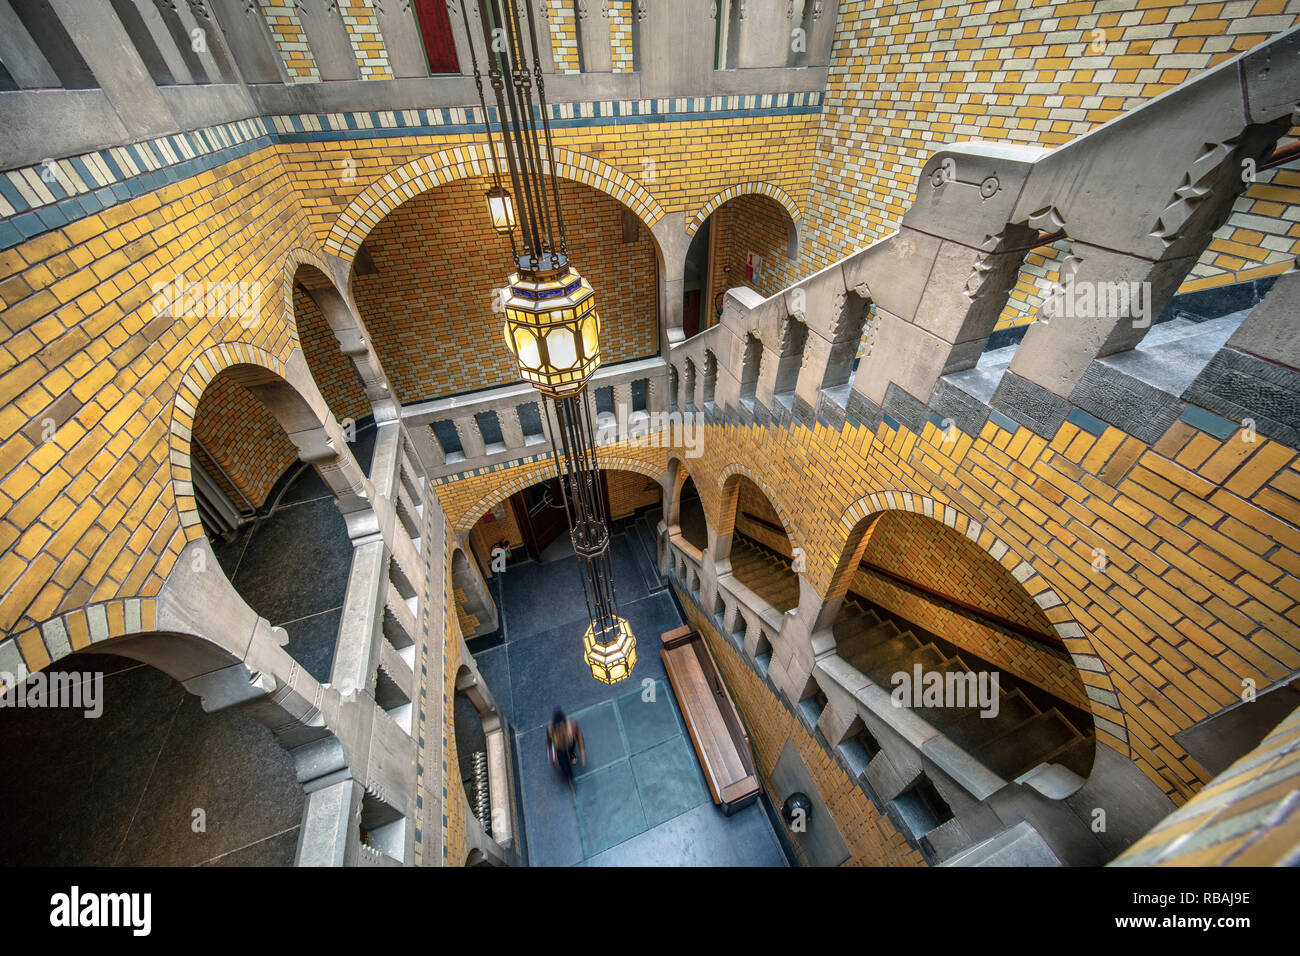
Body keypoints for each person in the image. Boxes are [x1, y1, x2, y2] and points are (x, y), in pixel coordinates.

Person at [547, 708, 585, 779]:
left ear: (565, 724)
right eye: (558, 727)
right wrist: (550, 754)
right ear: (555, 727)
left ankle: (572, 754)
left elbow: (580, 739)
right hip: (559, 746)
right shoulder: (550, 729)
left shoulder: (572, 726)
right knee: (565, 767)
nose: (560, 729)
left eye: (562, 726)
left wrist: (582, 754)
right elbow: (549, 742)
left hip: (570, 742)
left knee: (571, 748)